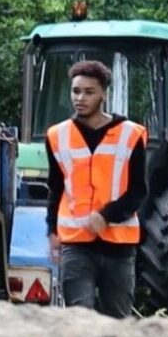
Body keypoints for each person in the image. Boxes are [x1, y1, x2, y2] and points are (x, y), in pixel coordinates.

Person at [46, 59, 147, 317]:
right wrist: (52, 230)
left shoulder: (131, 134)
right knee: (80, 321)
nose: (80, 98)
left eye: (88, 92)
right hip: (76, 245)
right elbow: (56, 188)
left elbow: (138, 191)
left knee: (116, 322)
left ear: (103, 94)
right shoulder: (57, 136)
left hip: (119, 247)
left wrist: (106, 215)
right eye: (75, 91)